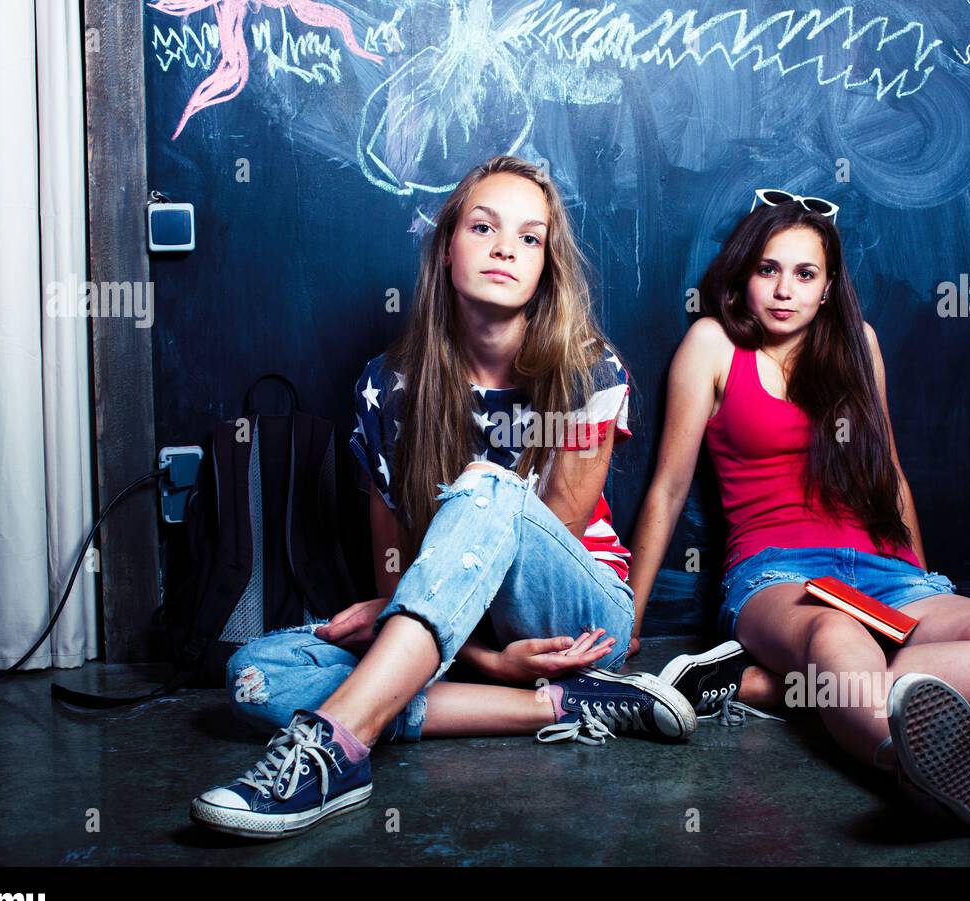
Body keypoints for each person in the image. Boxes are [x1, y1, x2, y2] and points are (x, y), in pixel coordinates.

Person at [190, 155, 696, 840]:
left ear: (547, 263)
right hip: (468, 641)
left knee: (488, 486)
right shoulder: (387, 384)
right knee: (257, 675)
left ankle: (335, 751)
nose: (503, 249)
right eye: (483, 227)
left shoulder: (587, 368)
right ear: (447, 245)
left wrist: (448, 631)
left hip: (569, 619)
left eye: (528, 237)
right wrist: (489, 662)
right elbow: (393, 571)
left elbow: (552, 530)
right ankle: (562, 707)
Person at [627, 189, 970, 831]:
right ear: (744, 273)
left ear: (828, 284)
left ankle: (770, 685)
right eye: (767, 269)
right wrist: (631, 621)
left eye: (804, 274)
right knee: (836, 637)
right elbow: (668, 489)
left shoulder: (858, 344)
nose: (784, 290)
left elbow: (889, 472)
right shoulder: (714, 345)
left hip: (883, 573)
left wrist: (920, 581)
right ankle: (905, 764)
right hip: (779, 574)